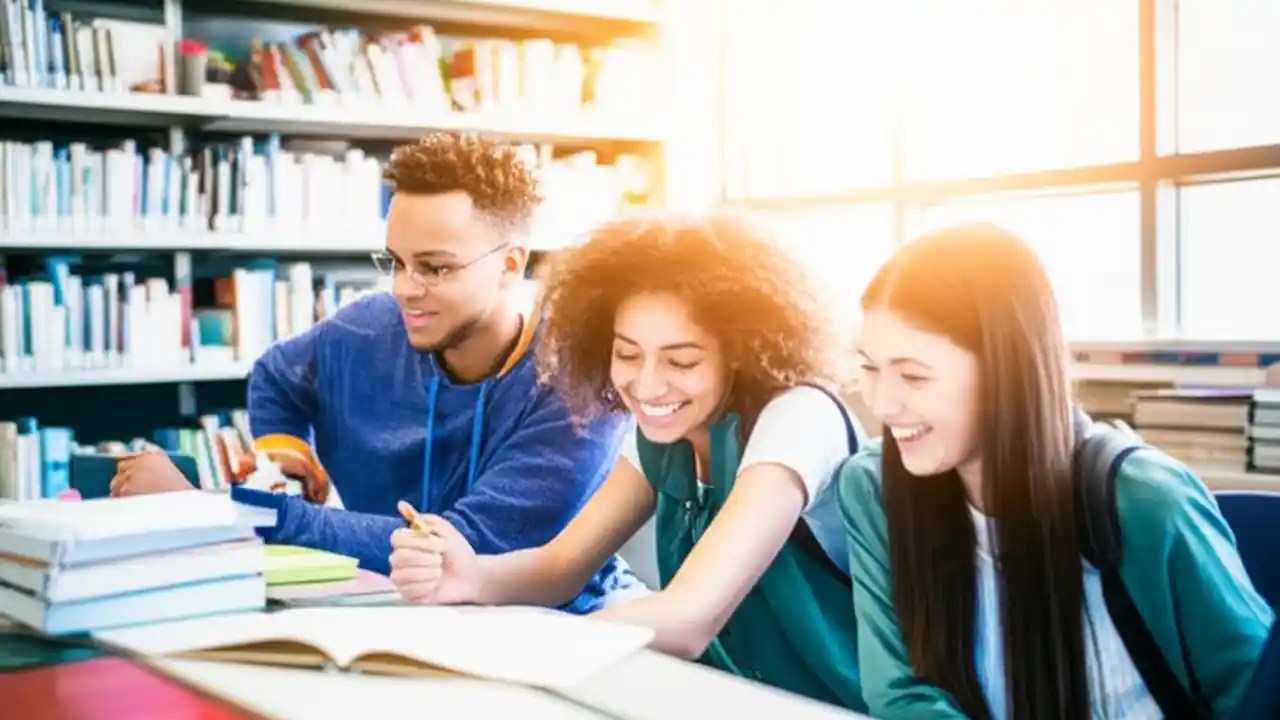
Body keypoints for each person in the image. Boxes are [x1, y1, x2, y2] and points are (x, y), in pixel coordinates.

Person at [110, 131, 638, 614]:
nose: (405, 290)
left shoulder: (577, 381)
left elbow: (458, 550)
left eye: (435, 267)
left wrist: (215, 511)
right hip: (394, 609)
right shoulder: (368, 330)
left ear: (510, 264)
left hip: (559, 624)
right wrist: (287, 450)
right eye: (396, 262)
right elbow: (276, 375)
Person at [387, 214, 868, 711]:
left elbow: (688, 620)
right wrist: (472, 577)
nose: (648, 385)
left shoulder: (798, 417)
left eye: (681, 361)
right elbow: (562, 565)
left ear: (742, 351)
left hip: (834, 706)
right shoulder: (665, 430)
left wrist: (532, 647)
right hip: (732, 700)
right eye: (628, 355)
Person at [838, 223, 1273, 719]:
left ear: (1005, 372)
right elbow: (901, 692)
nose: (880, 403)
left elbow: (1256, 699)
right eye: (869, 368)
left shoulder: (1148, 502)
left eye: (913, 375)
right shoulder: (872, 488)